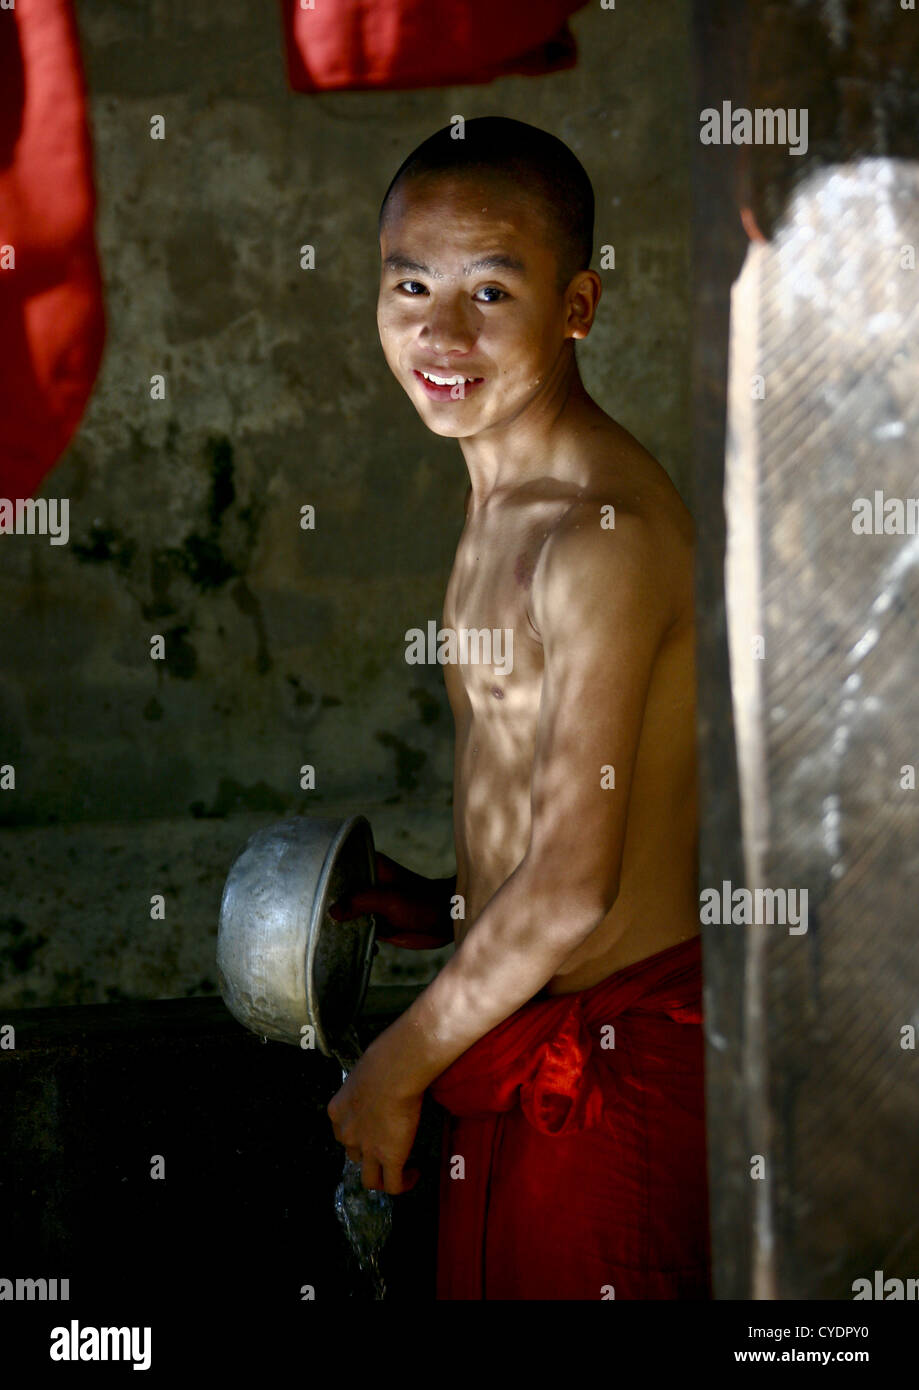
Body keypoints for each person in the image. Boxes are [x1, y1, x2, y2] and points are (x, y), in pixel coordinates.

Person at [327, 116, 710, 1299]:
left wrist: (393, 1067)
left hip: (604, 1071)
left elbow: (572, 889)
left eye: (491, 290)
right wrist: (443, 898)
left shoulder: (599, 537)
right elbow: (546, 838)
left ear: (578, 306)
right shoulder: (503, 492)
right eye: (411, 285)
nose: (440, 332)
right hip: (510, 1038)